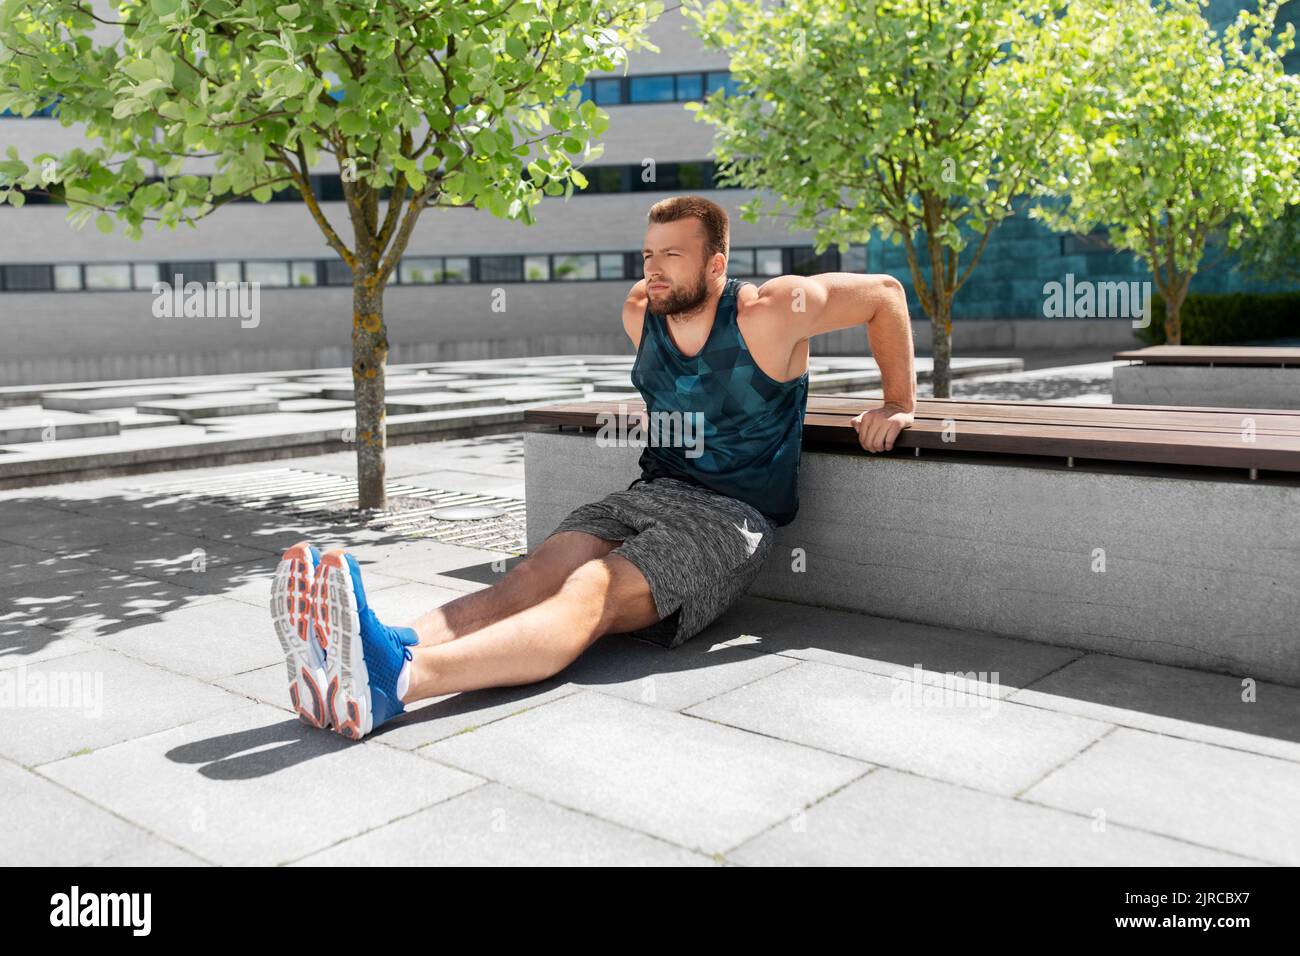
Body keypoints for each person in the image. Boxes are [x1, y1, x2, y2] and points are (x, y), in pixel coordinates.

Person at [270, 194, 916, 740]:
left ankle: (399, 682)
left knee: (592, 589)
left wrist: (898, 403)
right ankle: (381, 645)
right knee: (532, 574)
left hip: (730, 518)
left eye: (672, 255)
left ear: (716, 264)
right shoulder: (642, 311)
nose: (654, 270)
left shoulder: (771, 310)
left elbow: (885, 294)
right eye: (648, 254)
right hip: (649, 493)